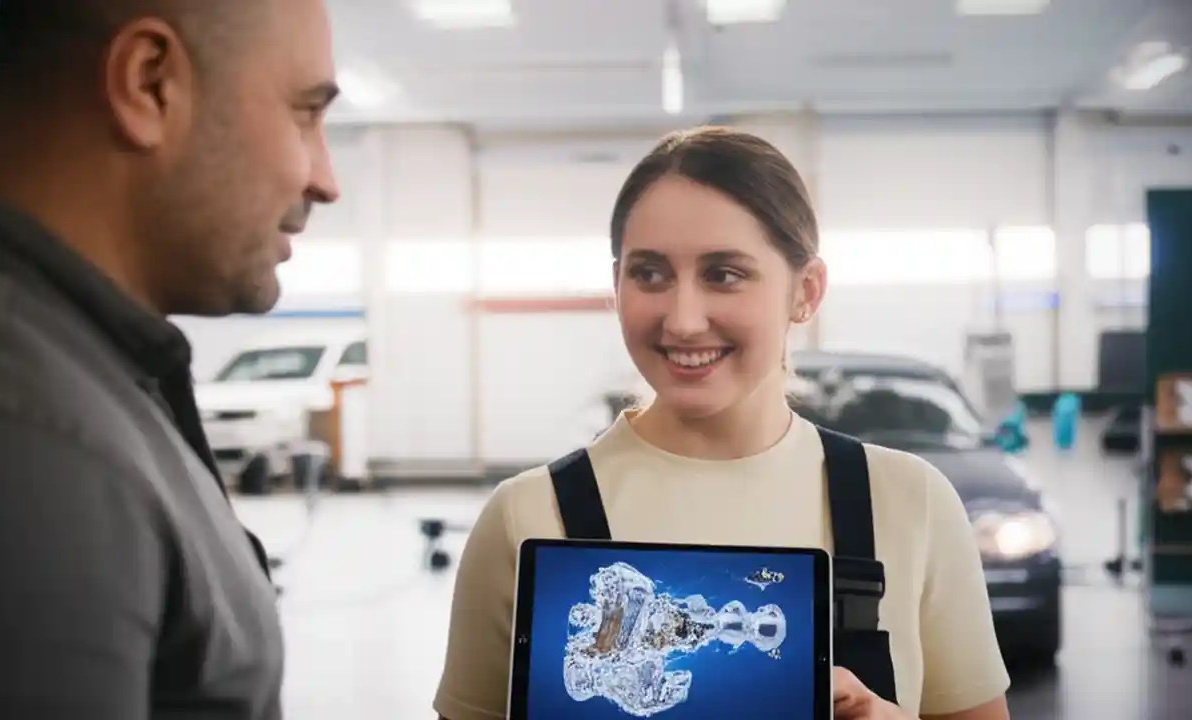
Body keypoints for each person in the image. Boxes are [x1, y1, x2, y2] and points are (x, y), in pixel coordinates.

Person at [433, 127, 1011, 720]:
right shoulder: (527, 517)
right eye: (650, 274)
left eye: (724, 274)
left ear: (805, 292)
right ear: (616, 285)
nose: (683, 321)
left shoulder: (909, 502)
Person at [0, 0, 340, 717]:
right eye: (305, 114)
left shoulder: (79, 373)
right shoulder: (20, 440)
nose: (324, 180)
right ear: (149, 85)